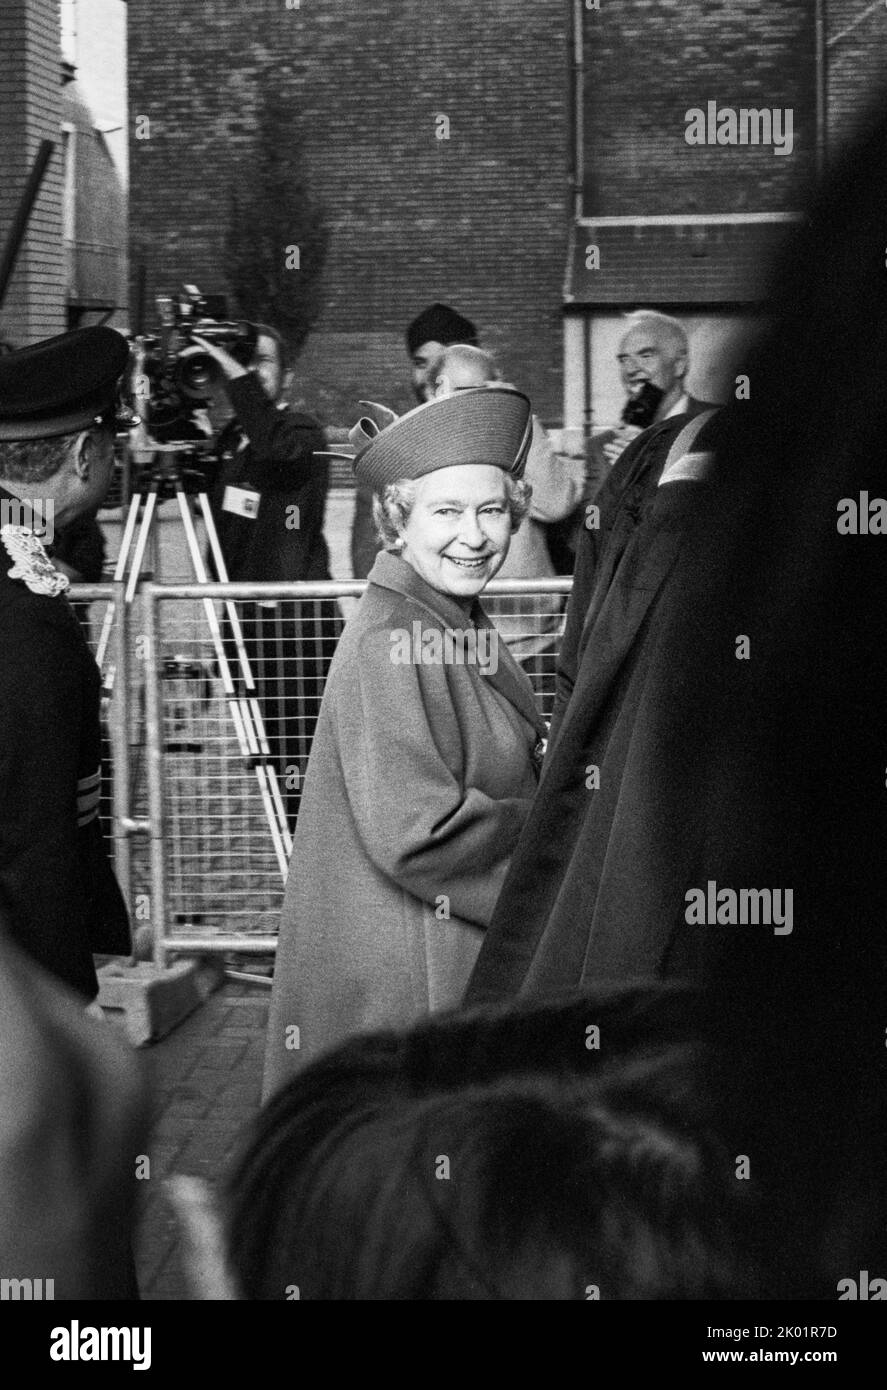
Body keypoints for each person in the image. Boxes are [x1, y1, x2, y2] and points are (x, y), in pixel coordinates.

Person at [263, 386, 547, 1097]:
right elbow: (419, 834)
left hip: (430, 957)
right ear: (397, 522)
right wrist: (553, 842)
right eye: (445, 512)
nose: (474, 535)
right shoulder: (393, 637)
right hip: (410, 976)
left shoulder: (447, 612)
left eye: (491, 510)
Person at [0, 326, 132, 1000]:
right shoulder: (22, 613)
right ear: (84, 453)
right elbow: (34, 840)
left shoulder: (20, 557)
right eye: (114, 443)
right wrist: (62, 1010)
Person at [191, 326, 342, 828]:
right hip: (249, 627)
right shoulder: (232, 441)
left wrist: (235, 377)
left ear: (288, 377)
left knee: (306, 758)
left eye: (263, 363)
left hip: (296, 634)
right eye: (242, 362)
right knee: (274, 758)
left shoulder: (301, 432)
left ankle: (318, 860)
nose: (251, 371)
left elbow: (278, 455)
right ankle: (300, 855)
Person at [430, 345, 586, 693]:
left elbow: (558, 503)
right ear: (435, 393)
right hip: (458, 650)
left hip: (535, 643)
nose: (472, 405)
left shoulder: (516, 432)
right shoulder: (421, 448)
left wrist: (518, 420)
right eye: (460, 393)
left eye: (482, 392)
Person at [350, 302, 479, 579]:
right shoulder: (387, 448)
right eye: (421, 363)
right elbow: (368, 547)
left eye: (441, 364)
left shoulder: (500, 434)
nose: (429, 378)